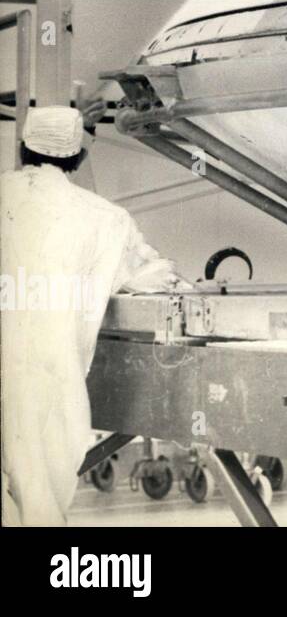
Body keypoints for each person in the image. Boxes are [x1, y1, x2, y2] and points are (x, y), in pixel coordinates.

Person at [1, 106, 189, 526]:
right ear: (78, 157)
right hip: (48, 380)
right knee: (39, 497)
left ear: (22, 148)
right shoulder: (105, 218)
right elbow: (151, 274)